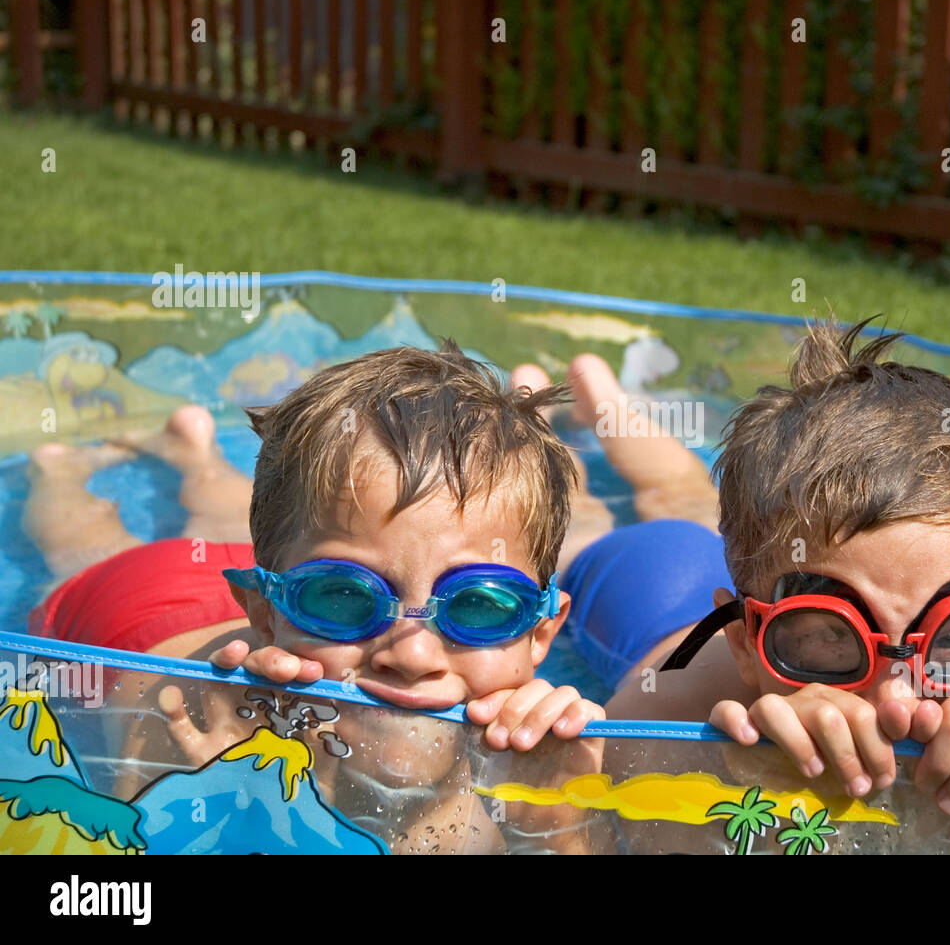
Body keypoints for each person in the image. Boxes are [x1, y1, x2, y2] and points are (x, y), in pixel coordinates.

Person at [24, 344, 607, 852]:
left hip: (303, 563)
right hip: (135, 604)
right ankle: (58, 474)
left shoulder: (538, 778)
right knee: (82, 541)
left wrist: (556, 831)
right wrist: (207, 788)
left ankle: (196, 455)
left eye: (478, 605)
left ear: (540, 633)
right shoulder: (190, 725)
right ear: (263, 614)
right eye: (346, 598)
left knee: (256, 523)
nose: (412, 655)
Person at [558, 322, 950, 822]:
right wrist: (733, 779)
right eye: (827, 637)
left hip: (759, 561)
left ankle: (602, 397)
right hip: (647, 582)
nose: (897, 702)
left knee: (688, 493)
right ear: (744, 642)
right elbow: (589, 809)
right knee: (578, 518)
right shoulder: (675, 706)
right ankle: (554, 419)